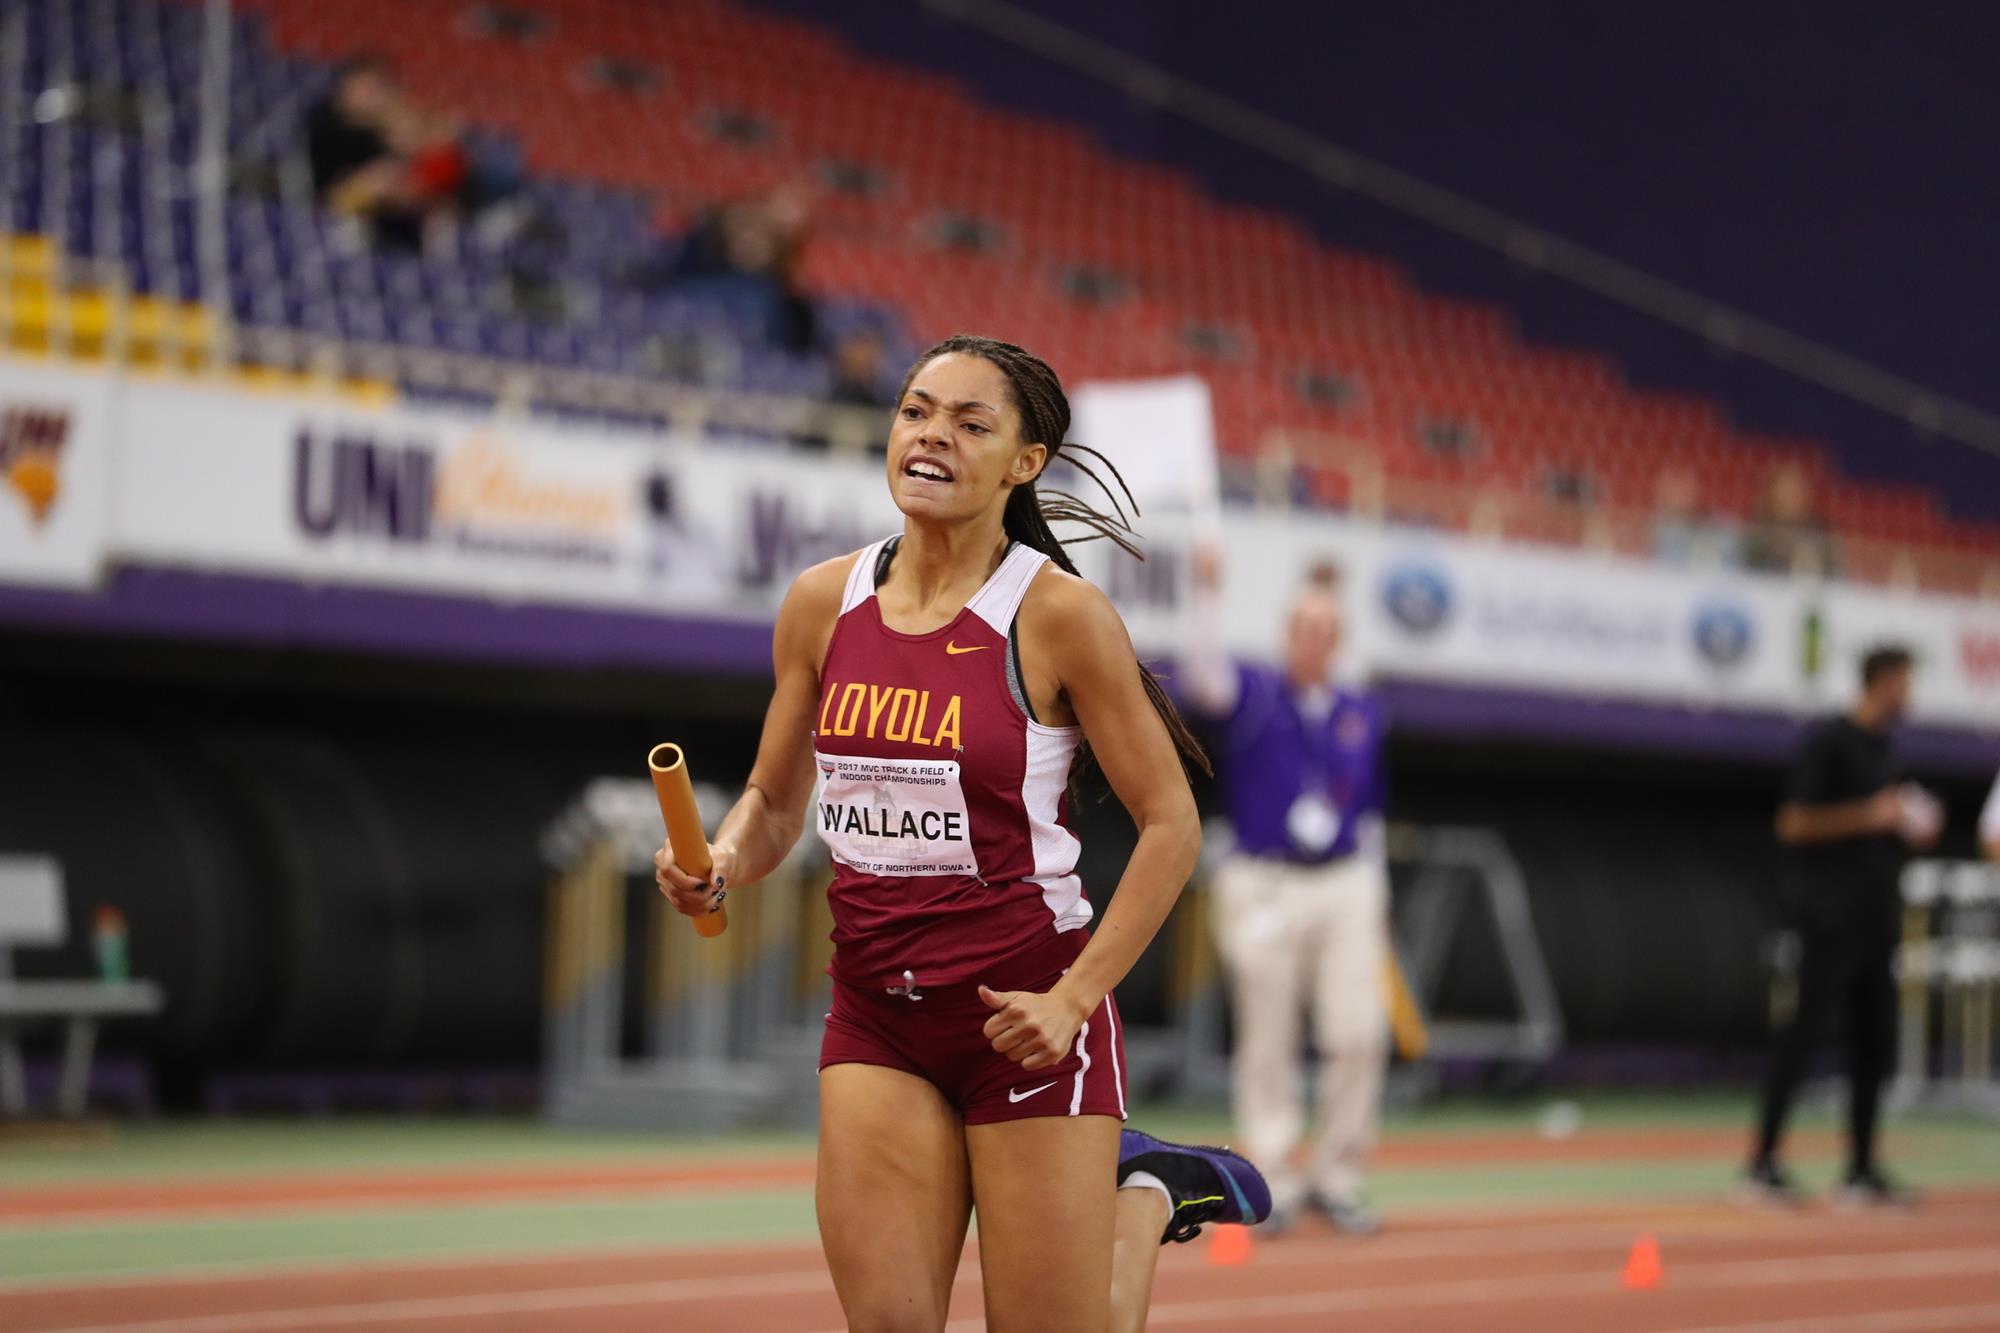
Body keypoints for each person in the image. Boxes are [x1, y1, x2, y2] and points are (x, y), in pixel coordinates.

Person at [655, 334, 1270, 1332]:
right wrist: (720, 860)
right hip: (877, 1020)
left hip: (1027, 1021)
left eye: (968, 422)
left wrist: (1073, 1000)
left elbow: (1171, 825)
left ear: (1023, 462)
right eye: (914, 411)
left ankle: (1140, 1195)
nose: (929, 435)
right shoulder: (820, 603)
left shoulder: (1059, 617)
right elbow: (772, 803)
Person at [1183, 549, 1391, 1235]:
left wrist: (1377, 895)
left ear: (1339, 640)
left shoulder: (1359, 710)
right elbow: (1203, 682)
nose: (1312, 638)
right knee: (1266, 1031)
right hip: (1265, 880)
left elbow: (1367, 812)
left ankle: (1338, 1175)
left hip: (1343, 880)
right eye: (1302, 625)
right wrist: (1208, 595)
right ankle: (1274, 1174)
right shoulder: (1257, 691)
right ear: (1285, 633)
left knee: (1358, 1031)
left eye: (1325, 627)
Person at [1746, 644, 1940, 1207]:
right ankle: (1763, 1164)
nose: (1909, 694)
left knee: (1875, 1037)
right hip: (1828, 913)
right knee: (1804, 1031)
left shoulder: (1885, 749)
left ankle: (1860, 1168)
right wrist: (1870, 814)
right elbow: (1793, 822)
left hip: (1877, 915)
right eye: (1904, 681)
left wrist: (1906, 822)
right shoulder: (1829, 741)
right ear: (1881, 681)